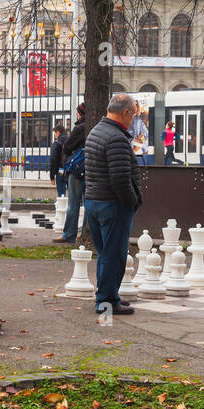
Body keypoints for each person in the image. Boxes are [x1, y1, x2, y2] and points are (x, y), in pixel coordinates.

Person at [84, 93, 142, 315]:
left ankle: (109, 296)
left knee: (105, 253)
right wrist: (131, 202)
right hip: (112, 204)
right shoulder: (116, 138)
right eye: (133, 115)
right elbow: (120, 179)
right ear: (125, 112)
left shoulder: (96, 131)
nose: (133, 120)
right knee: (113, 255)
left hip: (94, 202)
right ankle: (106, 301)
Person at [53, 103, 87, 244]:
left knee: (73, 203)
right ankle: (85, 233)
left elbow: (66, 147)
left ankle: (69, 234)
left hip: (78, 169)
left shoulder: (80, 128)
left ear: (80, 113)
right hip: (92, 168)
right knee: (89, 203)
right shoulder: (96, 124)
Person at [48, 124, 68, 198]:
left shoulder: (57, 143)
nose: (55, 136)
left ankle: (62, 208)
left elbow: (53, 160)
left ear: (58, 132)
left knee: (61, 194)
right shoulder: (71, 140)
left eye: (55, 134)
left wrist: (52, 177)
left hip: (60, 171)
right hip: (70, 170)